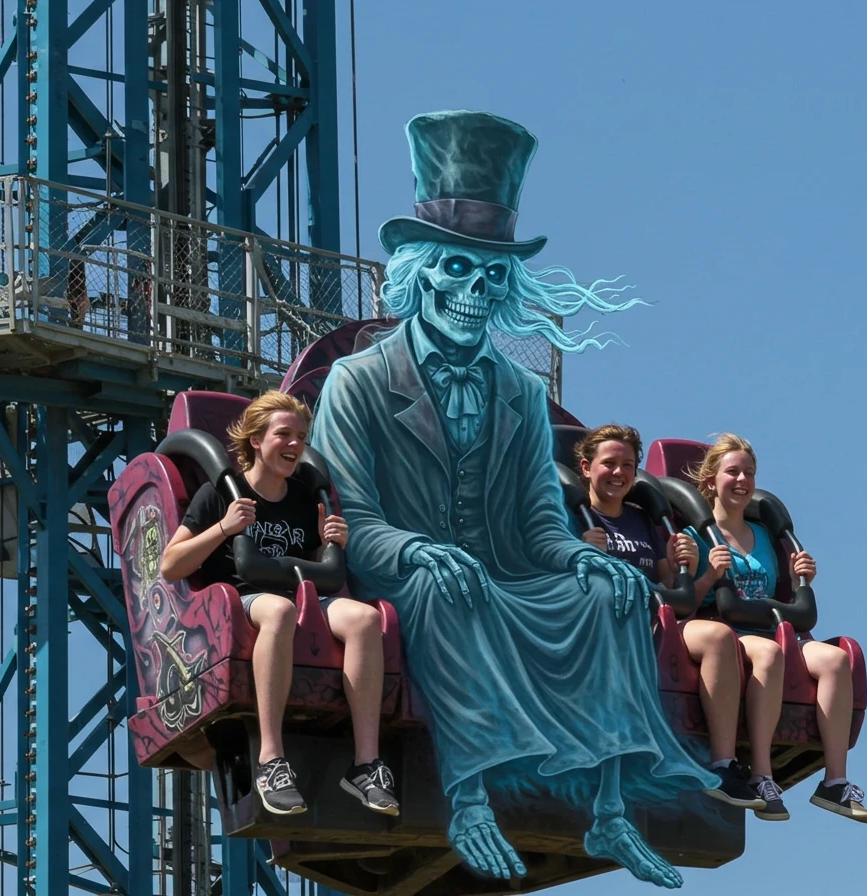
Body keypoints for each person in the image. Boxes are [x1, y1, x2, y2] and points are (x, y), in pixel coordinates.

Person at [311, 110, 719, 890]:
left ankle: (609, 808)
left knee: (605, 591)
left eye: (493, 273)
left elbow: (539, 521)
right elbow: (353, 516)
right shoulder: (358, 383)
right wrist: (417, 548)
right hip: (400, 570)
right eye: (457, 267)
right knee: (447, 585)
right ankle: (469, 800)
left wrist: (581, 560)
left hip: (502, 572)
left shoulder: (521, 393)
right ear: (420, 273)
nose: (476, 288)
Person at [159, 391, 399, 818]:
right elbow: (171, 565)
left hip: (302, 595)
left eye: (301, 437)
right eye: (283, 435)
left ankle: (365, 764)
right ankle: (271, 760)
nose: (294, 445)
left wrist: (329, 544)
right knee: (278, 610)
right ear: (256, 440)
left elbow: (317, 568)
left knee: (365, 618)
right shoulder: (220, 494)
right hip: (243, 600)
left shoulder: (304, 499)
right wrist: (223, 527)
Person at [574, 425, 764, 812]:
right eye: (609, 463)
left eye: (628, 465)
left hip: (652, 616)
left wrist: (693, 571)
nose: (618, 473)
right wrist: (577, 553)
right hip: (600, 621)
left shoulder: (644, 520)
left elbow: (676, 595)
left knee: (718, 636)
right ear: (585, 467)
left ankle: (723, 765)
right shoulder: (573, 516)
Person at [686, 433, 867, 824]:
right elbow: (686, 599)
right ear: (710, 482)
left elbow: (781, 597)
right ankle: (761, 775)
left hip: (769, 627)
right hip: (725, 630)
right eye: (732, 472)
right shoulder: (694, 536)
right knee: (768, 654)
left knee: (836, 660)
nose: (742, 480)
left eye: (749, 473)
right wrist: (709, 574)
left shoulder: (765, 537)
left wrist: (802, 577)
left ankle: (834, 782)